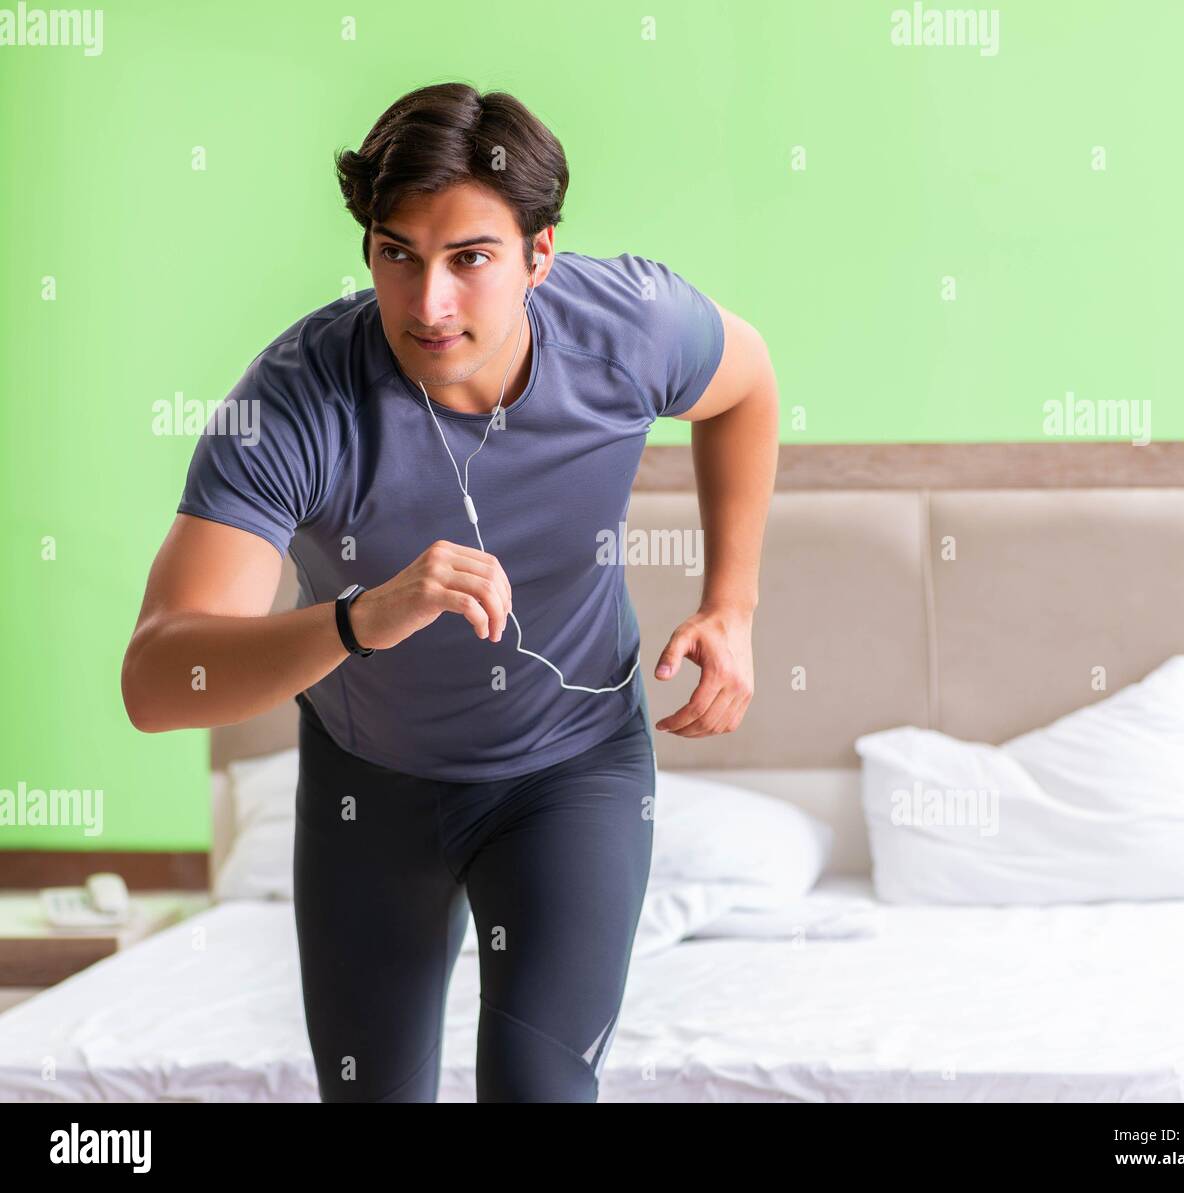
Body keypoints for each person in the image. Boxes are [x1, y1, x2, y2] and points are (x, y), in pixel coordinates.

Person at [120, 82, 779, 1102]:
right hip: (368, 786)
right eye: (398, 254)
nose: (428, 304)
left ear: (539, 256)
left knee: (536, 1088)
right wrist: (357, 618)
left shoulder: (627, 327)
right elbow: (160, 680)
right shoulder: (295, 403)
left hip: (574, 770)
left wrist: (730, 602)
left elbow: (746, 382)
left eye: (469, 258)